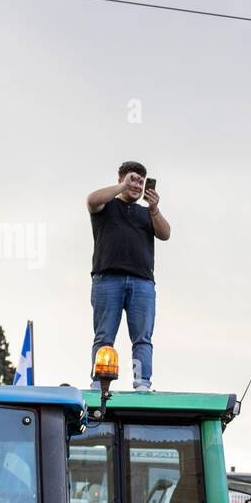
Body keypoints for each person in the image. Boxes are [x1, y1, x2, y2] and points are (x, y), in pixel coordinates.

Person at [86, 161, 170, 390]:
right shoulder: (107, 206)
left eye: (141, 182)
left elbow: (165, 234)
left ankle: (142, 383)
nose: (137, 185)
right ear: (121, 179)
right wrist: (122, 187)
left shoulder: (147, 213)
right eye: (133, 179)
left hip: (142, 282)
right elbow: (92, 200)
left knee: (142, 338)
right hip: (107, 279)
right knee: (104, 336)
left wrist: (154, 209)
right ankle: (99, 383)